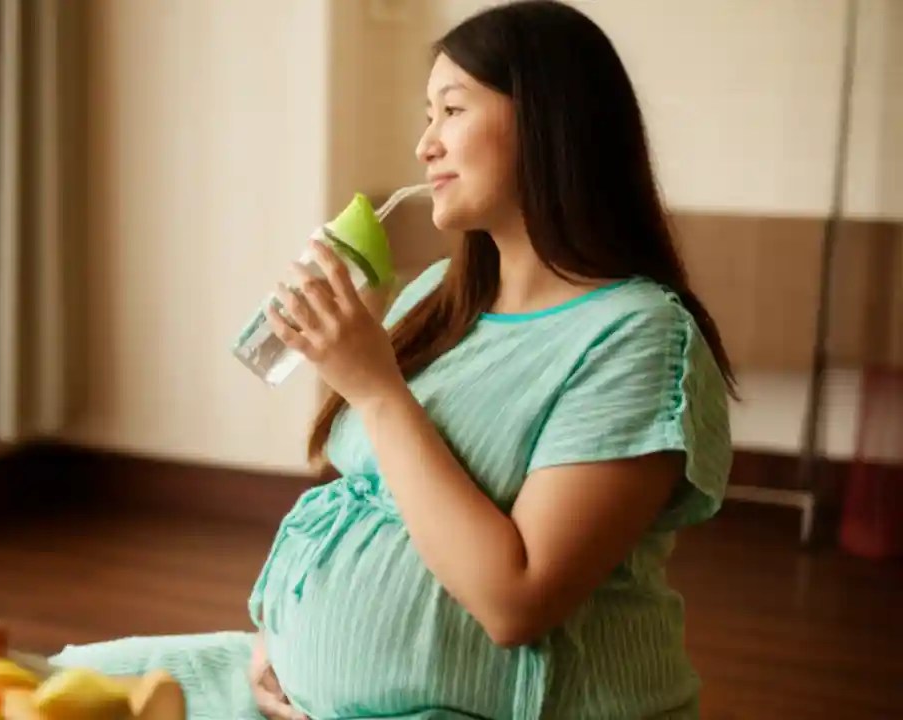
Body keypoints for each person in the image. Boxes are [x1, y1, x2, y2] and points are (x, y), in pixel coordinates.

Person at [50, 1, 734, 718]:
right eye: (426, 114)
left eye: (452, 109)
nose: (425, 145)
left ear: (548, 123)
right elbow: (369, 494)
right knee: (43, 684)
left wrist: (374, 385)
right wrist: (281, 635)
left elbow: (517, 600)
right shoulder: (442, 294)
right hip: (292, 690)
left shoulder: (640, 339)